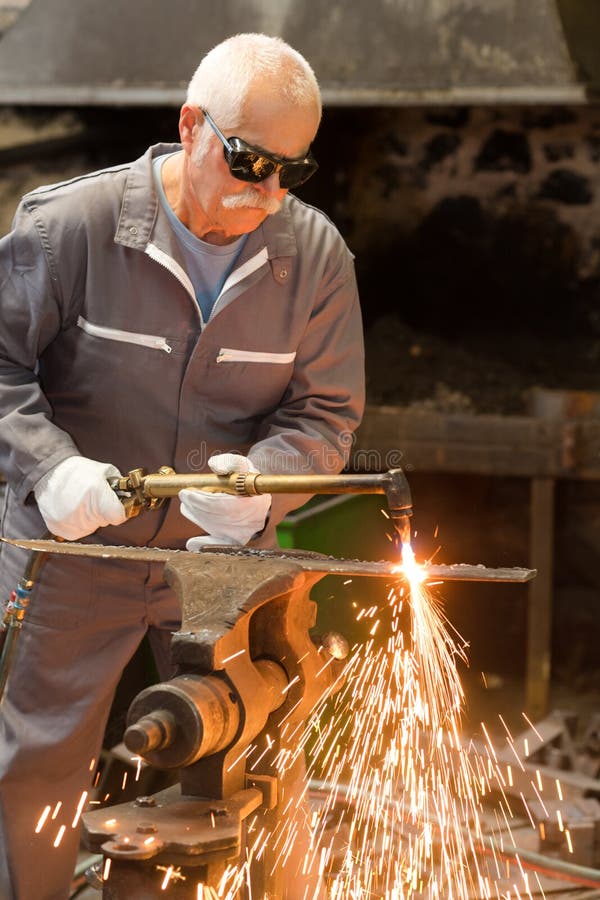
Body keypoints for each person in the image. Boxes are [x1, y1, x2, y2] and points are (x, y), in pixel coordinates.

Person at [0, 32, 364, 900]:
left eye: (294, 171)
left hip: (220, 562)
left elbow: (324, 412)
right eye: (250, 163)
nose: (270, 194)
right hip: (78, 551)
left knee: (265, 753)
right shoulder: (70, 229)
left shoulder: (314, 259)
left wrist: (267, 481)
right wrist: (51, 469)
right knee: (40, 765)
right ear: (192, 125)